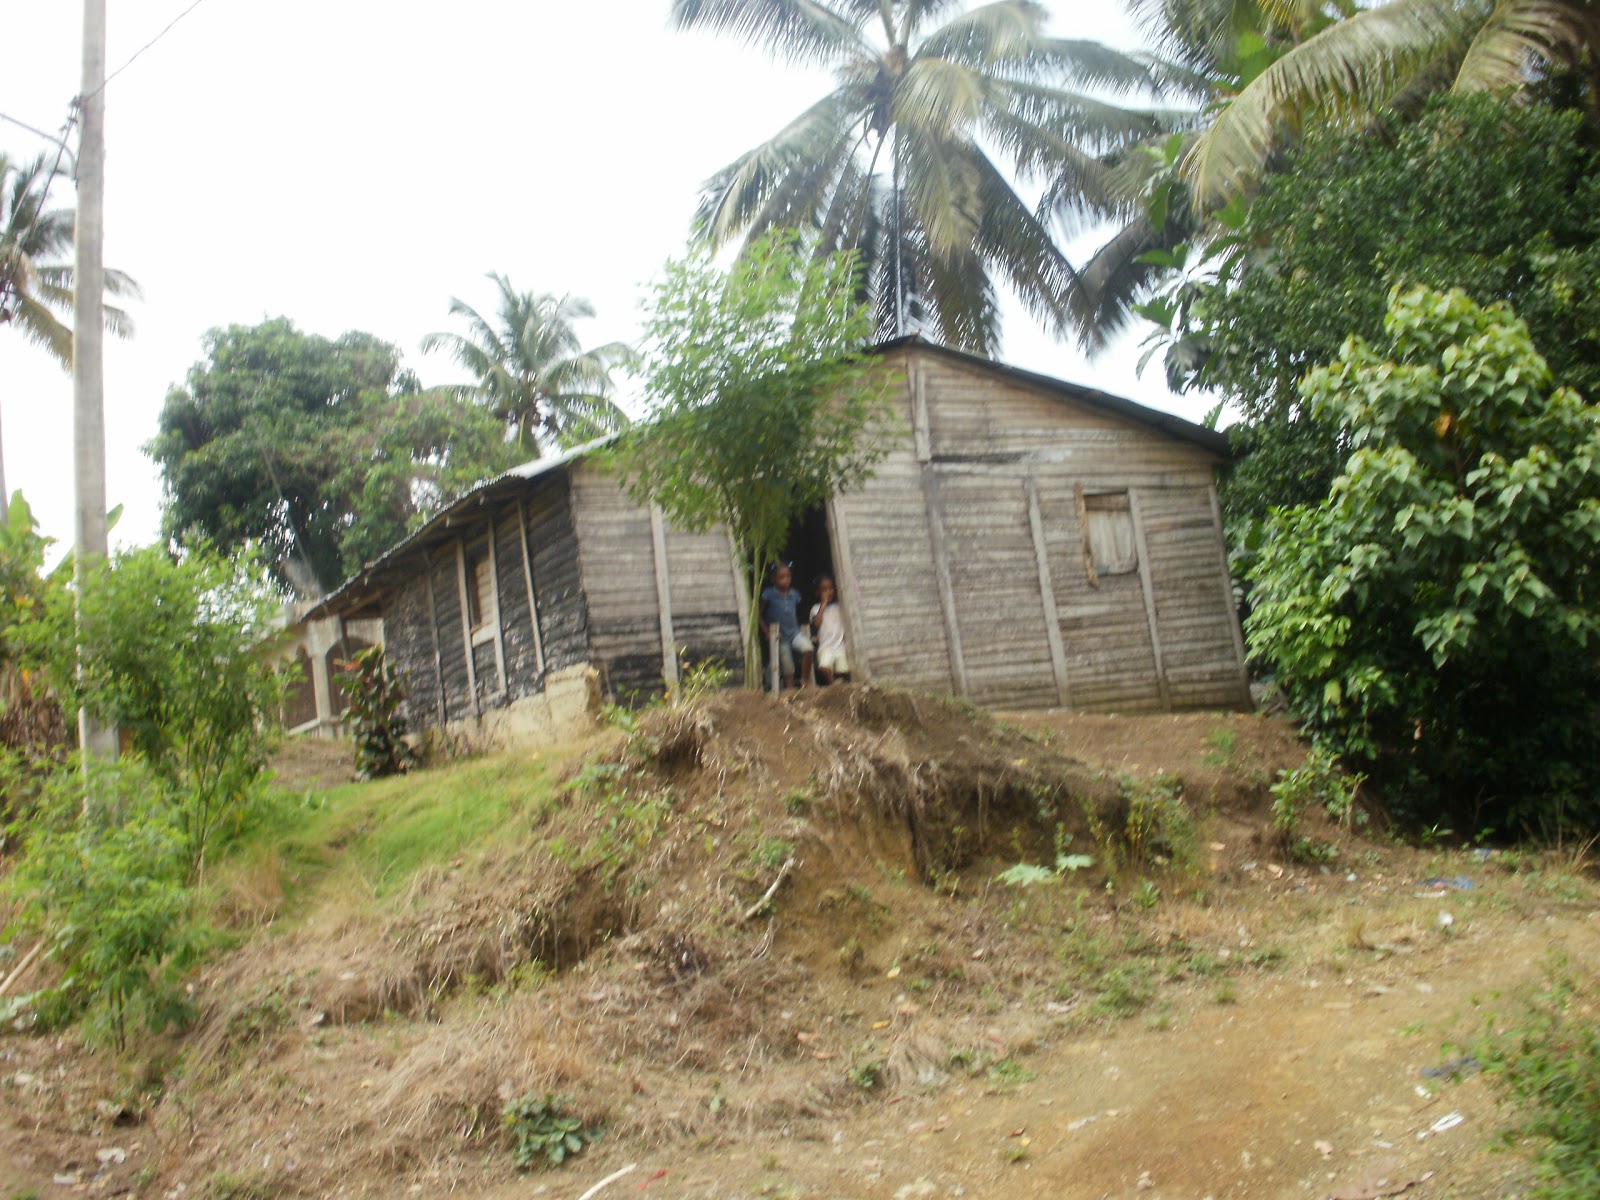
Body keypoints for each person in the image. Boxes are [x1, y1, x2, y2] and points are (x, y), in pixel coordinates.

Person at [759, 563, 813, 689]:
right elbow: (758, 614)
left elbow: (800, 612)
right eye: (782, 577)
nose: (786, 580)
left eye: (788, 576)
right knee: (788, 665)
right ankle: (790, 690)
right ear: (773, 579)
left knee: (808, 649)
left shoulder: (794, 594)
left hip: (794, 632)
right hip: (780, 635)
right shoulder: (768, 594)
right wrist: (766, 632)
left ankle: (805, 680)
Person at [809, 574, 850, 685]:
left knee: (843, 670)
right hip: (825, 647)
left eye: (830, 588)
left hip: (840, 647)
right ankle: (833, 686)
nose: (828, 592)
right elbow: (816, 624)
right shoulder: (815, 608)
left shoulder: (839, 606)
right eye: (824, 589)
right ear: (818, 592)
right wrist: (823, 605)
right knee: (824, 668)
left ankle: (840, 688)